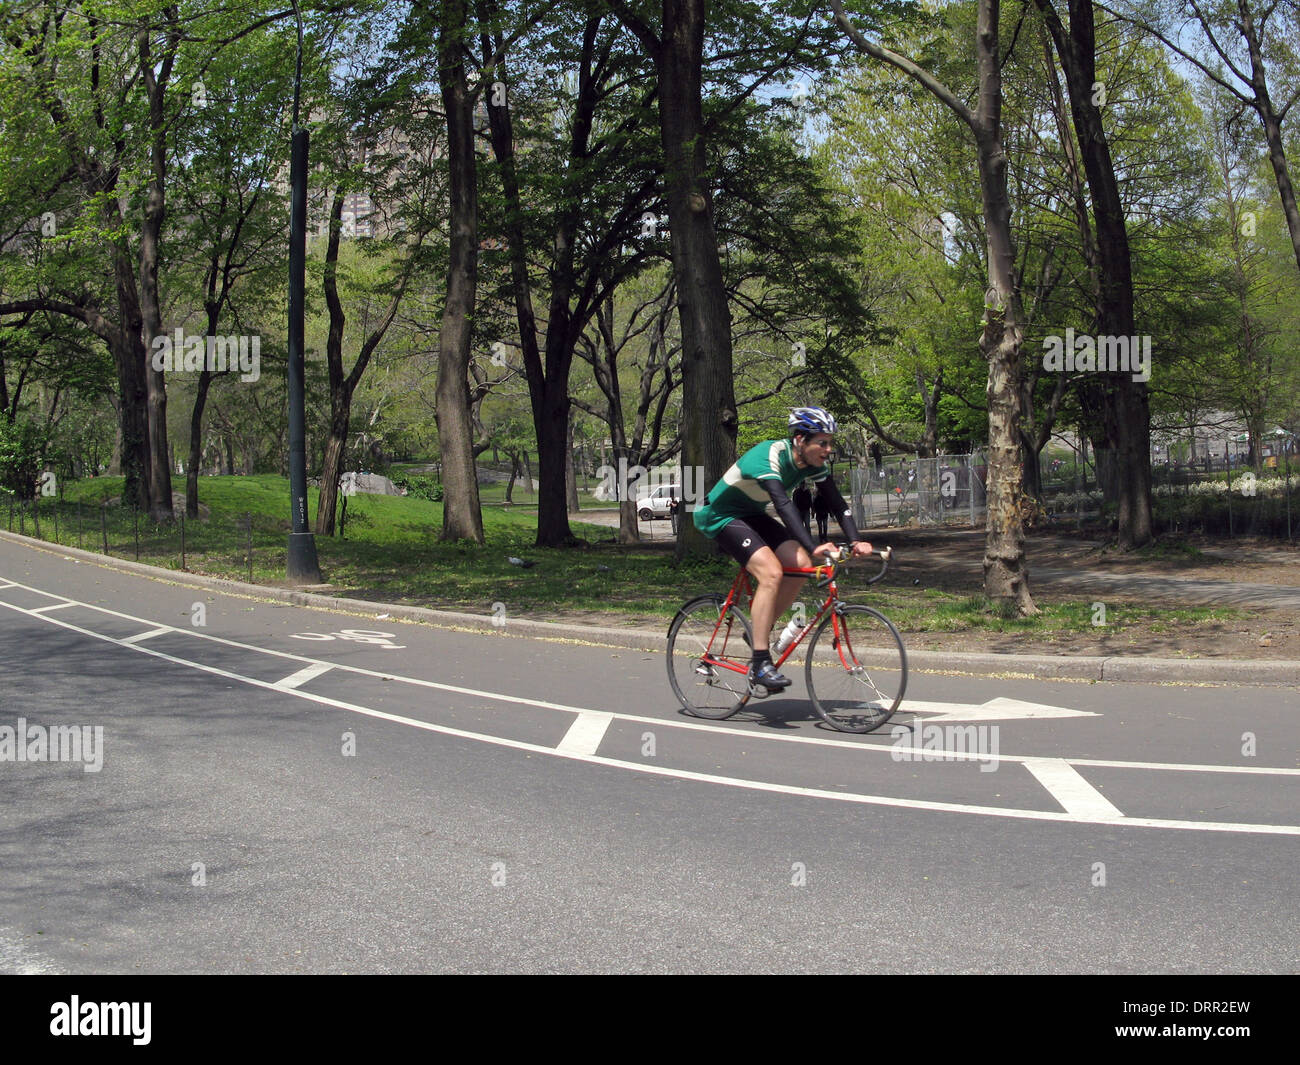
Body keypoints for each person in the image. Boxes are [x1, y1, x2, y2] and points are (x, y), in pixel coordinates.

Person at [692, 407, 873, 691]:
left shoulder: (814, 465)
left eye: (830, 443)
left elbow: (838, 504)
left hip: (750, 513)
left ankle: (757, 633)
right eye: (822, 443)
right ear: (800, 440)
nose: (828, 449)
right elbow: (783, 505)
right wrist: (814, 545)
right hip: (718, 515)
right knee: (772, 573)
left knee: (801, 565)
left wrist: (855, 540)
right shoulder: (770, 456)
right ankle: (761, 663)